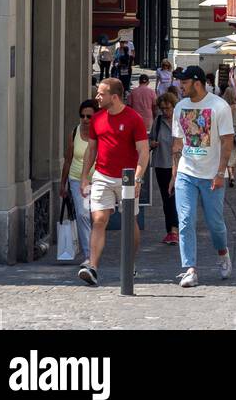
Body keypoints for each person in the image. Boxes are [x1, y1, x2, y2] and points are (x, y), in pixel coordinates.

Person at [77, 78, 149, 287]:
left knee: (129, 221)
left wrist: (137, 178)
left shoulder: (134, 119)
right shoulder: (97, 119)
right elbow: (91, 150)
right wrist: (85, 177)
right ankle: (93, 267)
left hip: (127, 179)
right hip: (102, 175)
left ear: (114, 97)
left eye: (101, 93)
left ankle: (129, 262)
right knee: (99, 219)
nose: (97, 97)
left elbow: (143, 152)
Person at [170, 65, 234, 287]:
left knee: (215, 223)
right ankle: (190, 269)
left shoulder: (219, 106)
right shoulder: (180, 107)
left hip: (211, 175)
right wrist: (174, 172)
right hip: (186, 173)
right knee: (186, 220)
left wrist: (220, 173)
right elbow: (177, 143)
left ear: (196, 83)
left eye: (184, 82)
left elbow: (227, 141)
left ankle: (223, 252)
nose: (180, 86)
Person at [58, 99, 96, 263]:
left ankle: (95, 246)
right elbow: (68, 159)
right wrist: (62, 183)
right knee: (82, 214)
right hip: (76, 179)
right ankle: (89, 255)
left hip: (97, 180)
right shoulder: (75, 132)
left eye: (89, 116)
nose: (86, 120)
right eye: (83, 116)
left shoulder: (101, 133)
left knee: (96, 217)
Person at [149, 93, 179, 244]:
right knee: (166, 199)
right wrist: (152, 143)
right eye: (162, 109)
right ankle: (171, 231)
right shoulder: (158, 121)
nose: (165, 112)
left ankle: (175, 230)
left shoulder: (180, 120)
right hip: (161, 164)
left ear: (174, 107)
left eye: (168, 108)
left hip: (177, 165)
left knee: (174, 198)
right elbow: (150, 139)